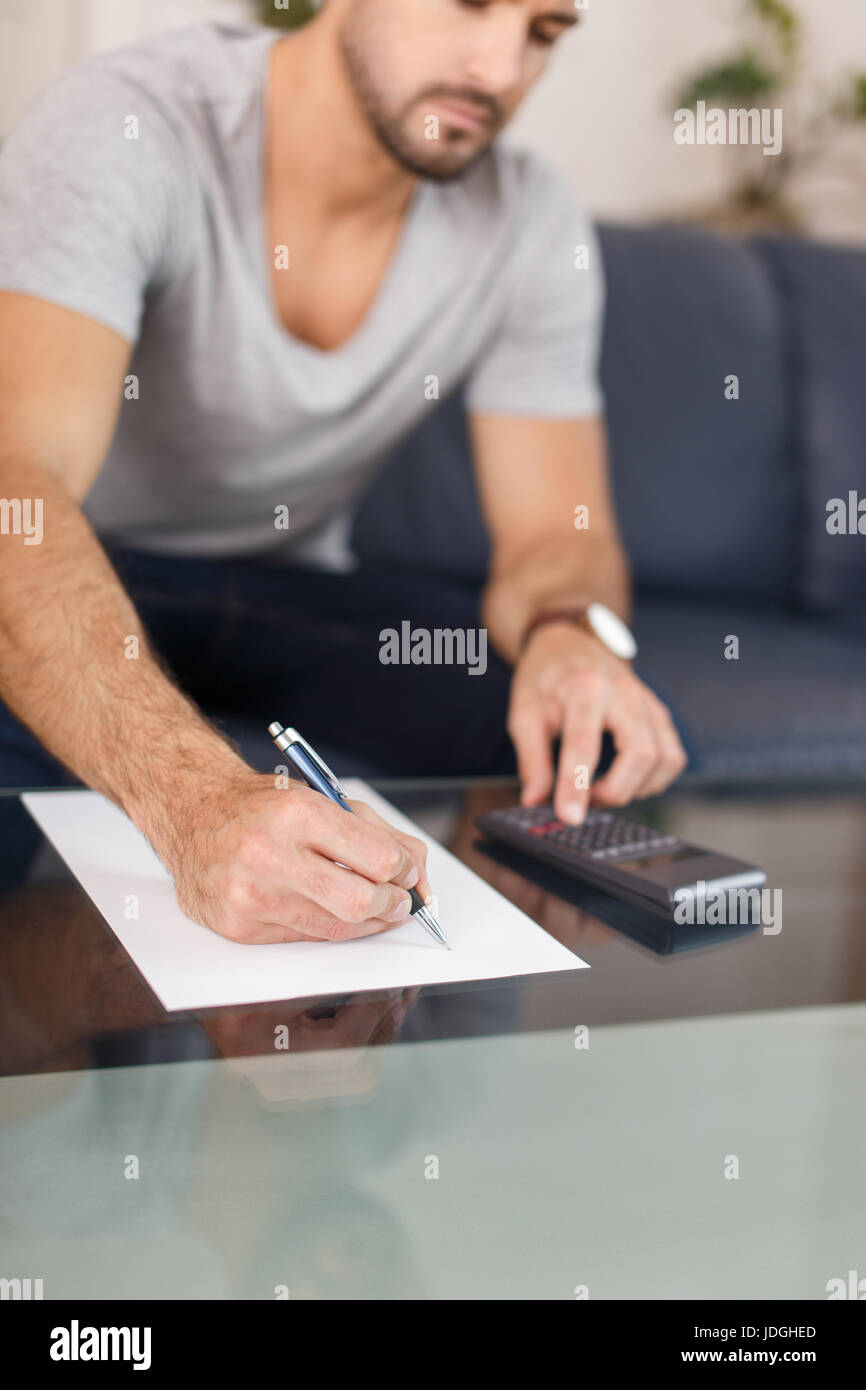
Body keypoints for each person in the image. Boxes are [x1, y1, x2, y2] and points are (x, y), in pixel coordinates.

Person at [0, 0, 686, 938]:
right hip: (91, 573)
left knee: (570, 724)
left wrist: (570, 630)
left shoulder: (528, 219)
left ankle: (467, 991)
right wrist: (194, 797)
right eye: (473, 5)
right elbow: (16, 493)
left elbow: (554, 537)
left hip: (293, 593)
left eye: (544, 32)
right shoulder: (131, 125)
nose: (499, 68)